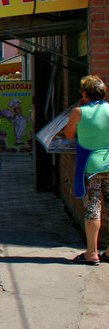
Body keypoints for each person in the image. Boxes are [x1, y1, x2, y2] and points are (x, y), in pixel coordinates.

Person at [63, 75, 109, 265]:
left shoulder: (79, 112)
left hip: (92, 167)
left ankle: (92, 253)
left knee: (93, 208)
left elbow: (69, 134)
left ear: (85, 93)